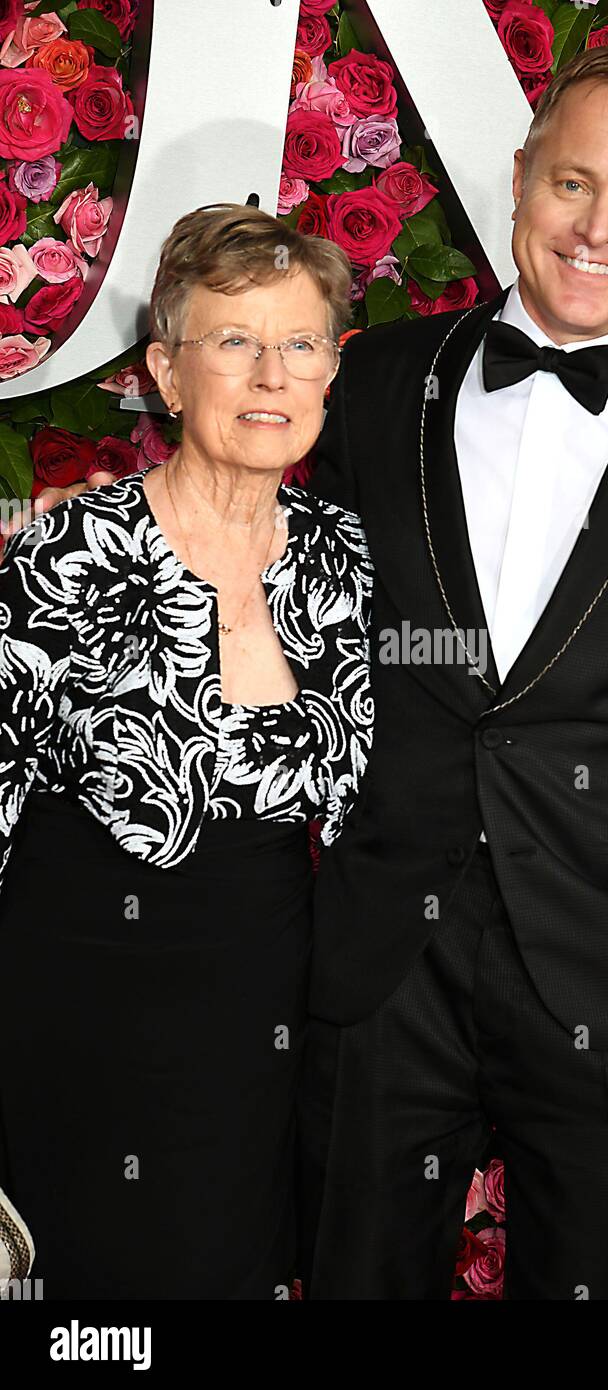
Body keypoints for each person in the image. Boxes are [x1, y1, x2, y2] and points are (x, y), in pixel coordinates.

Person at [35, 46, 608, 1301]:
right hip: (377, 980)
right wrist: (86, 528)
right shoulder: (374, 381)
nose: (595, 227)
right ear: (518, 180)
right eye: (573, 182)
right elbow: (253, 542)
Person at [0, 203, 373, 1300]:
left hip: (264, 1003)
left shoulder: (344, 556)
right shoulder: (74, 544)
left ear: (328, 372)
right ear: (166, 371)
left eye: (297, 343)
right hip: (79, 996)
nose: (269, 374)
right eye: (233, 341)